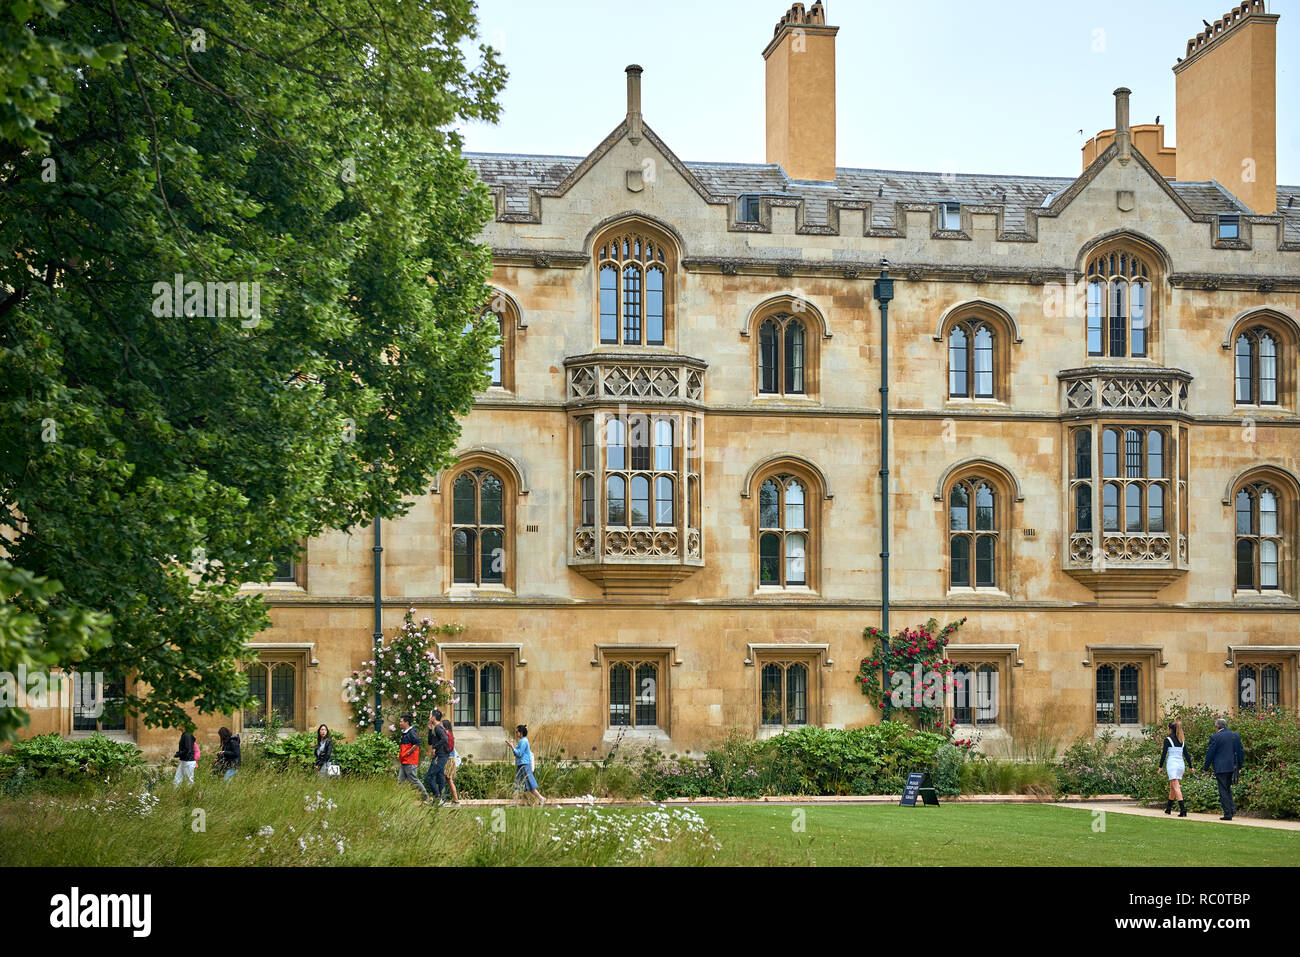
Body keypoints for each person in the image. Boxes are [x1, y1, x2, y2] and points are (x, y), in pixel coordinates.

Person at [1202, 716, 1245, 821]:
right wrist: (1240, 765)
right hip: (1232, 766)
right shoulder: (1235, 735)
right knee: (1228, 788)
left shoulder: (1215, 737)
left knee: (1223, 790)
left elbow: (1210, 753)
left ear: (1217, 727)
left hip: (1221, 767)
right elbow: (1240, 751)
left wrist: (1205, 767)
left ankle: (1227, 813)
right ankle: (1231, 809)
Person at [1157, 719, 1192, 817]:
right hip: (1181, 765)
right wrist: (1191, 766)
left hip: (1172, 764)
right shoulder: (1182, 740)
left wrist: (1160, 767)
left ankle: (1183, 809)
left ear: (1170, 729)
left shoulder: (1168, 739)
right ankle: (1168, 808)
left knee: (1176, 786)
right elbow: (1186, 755)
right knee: (1172, 786)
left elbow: (1164, 754)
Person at [509, 724, 545, 806]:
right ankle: (515, 802)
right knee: (518, 784)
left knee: (529, 784)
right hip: (521, 765)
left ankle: (541, 798)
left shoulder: (523, 741)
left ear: (521, 732)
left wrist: (512, 747)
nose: (516, 733)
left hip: (524, 765)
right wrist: (513, 748)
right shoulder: (522, 741)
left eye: (517, 732)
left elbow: (519, 753)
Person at [397, 714, 429, 799]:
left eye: (401, 721)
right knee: (400, 780)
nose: (400, 723)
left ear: (406, 722)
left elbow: (416, 743)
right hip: (404, 761)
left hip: (410, 761)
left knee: (413, 780)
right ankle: (400, 799)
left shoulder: (412, 732)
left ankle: (425, 796)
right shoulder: (405, 733)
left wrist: (408, 753)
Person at [424, 709, 451, 802]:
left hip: (440, 756)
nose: (429, 718)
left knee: (429, 777)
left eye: (430, 716)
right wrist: (429, 730)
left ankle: (437, 797)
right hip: (439, 756)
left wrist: (435, 748)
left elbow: (445, 738)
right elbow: (430, 742)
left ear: (434, 717)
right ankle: (443, 799)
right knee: (440, 777)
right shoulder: (435, 728)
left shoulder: (438, 728)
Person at [441, 717, 460, 805]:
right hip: (451, 758)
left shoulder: (446, 734)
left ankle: (444, 799)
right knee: (449, 780)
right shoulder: (450, 734)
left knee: (445, 779)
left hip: (448, 759)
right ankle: (455, 800)